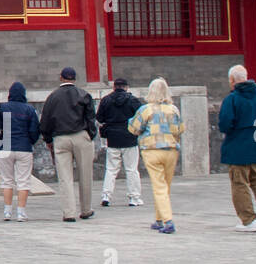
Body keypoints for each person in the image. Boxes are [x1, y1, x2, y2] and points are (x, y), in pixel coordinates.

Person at [218, 64, 256, 233]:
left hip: (238, 148)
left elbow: (225, 124)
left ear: (232, 81)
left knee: (240, 183)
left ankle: (248, 220)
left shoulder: (232, 99)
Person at [39, 67, 97, 223]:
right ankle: (85, 209)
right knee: (85, 174)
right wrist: (90, 134)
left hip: (61, 138)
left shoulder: (53, 97)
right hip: (81, 135)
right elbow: (91, 117)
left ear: (61, 78)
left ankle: (69, 212)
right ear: (74, 79)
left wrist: (48, 139)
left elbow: (45, 121)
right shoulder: (84, 94)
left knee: (65, 177)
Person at [128, 77, 185, 234]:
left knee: (158, 185)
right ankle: (159, 219)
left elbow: (134, 128)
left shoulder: (145, 109)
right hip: (171, 149)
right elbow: (179, 130)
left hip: (152, 150)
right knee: (165, 186)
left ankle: (167, 221)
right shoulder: (173, 109)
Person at [0, 82, 41, 221]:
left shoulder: (1, 107)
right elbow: (34, 129)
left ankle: (7, 212)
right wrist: (30, 141)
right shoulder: (29, 109)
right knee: (23, 181)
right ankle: (21, 212)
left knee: (7, 180)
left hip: (6, 147)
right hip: (24, 146)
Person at [96, 77, 143, 207]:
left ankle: (106, 196)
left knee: (111, 169)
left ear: (114, 87)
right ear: (126, 87)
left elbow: (99, 118)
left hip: (112, 138)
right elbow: (141, 117)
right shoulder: (133, 100)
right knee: (132, 169)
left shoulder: (106, 100)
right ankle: (134, 197)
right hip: (130, 137)